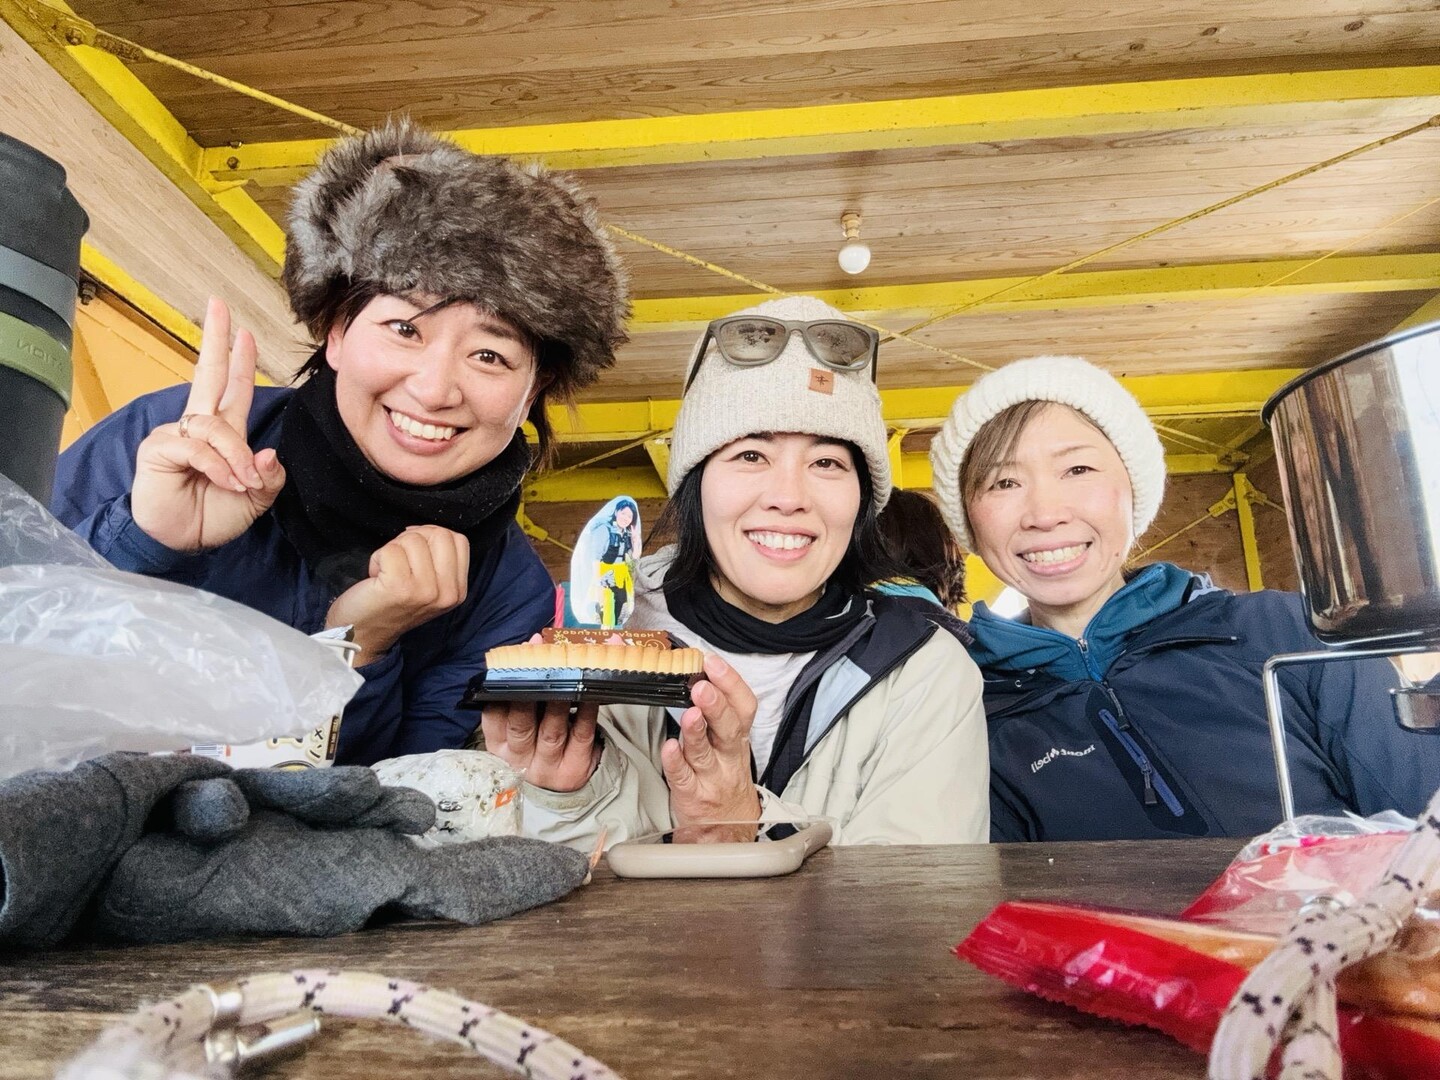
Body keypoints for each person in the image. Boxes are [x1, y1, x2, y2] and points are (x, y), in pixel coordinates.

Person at [51, 121, 629, 766]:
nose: (436, 389)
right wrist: (144, 542)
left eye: (491, 354)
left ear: (534, 389)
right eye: (405, 327)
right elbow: (21, 664)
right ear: (334, 332)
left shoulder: (502, 592)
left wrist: (357, 644)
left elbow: (402, 808)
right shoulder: (171, 442)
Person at [480, 296, 991, 848]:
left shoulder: (923, 669)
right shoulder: (598, 647)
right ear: (695, 483)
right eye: (750, 455)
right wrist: (561, 799)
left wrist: (746, 827)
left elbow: (918, 908)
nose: (788, 497)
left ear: (863, 500)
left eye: (827, 462)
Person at [928, 355, 1440, 841]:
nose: (1044, 512)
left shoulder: (1284, 635)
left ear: (1134, 485)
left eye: (1077, 470)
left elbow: (1423, 838)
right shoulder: (964, 707)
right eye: (1004, 482)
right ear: (970, 520)